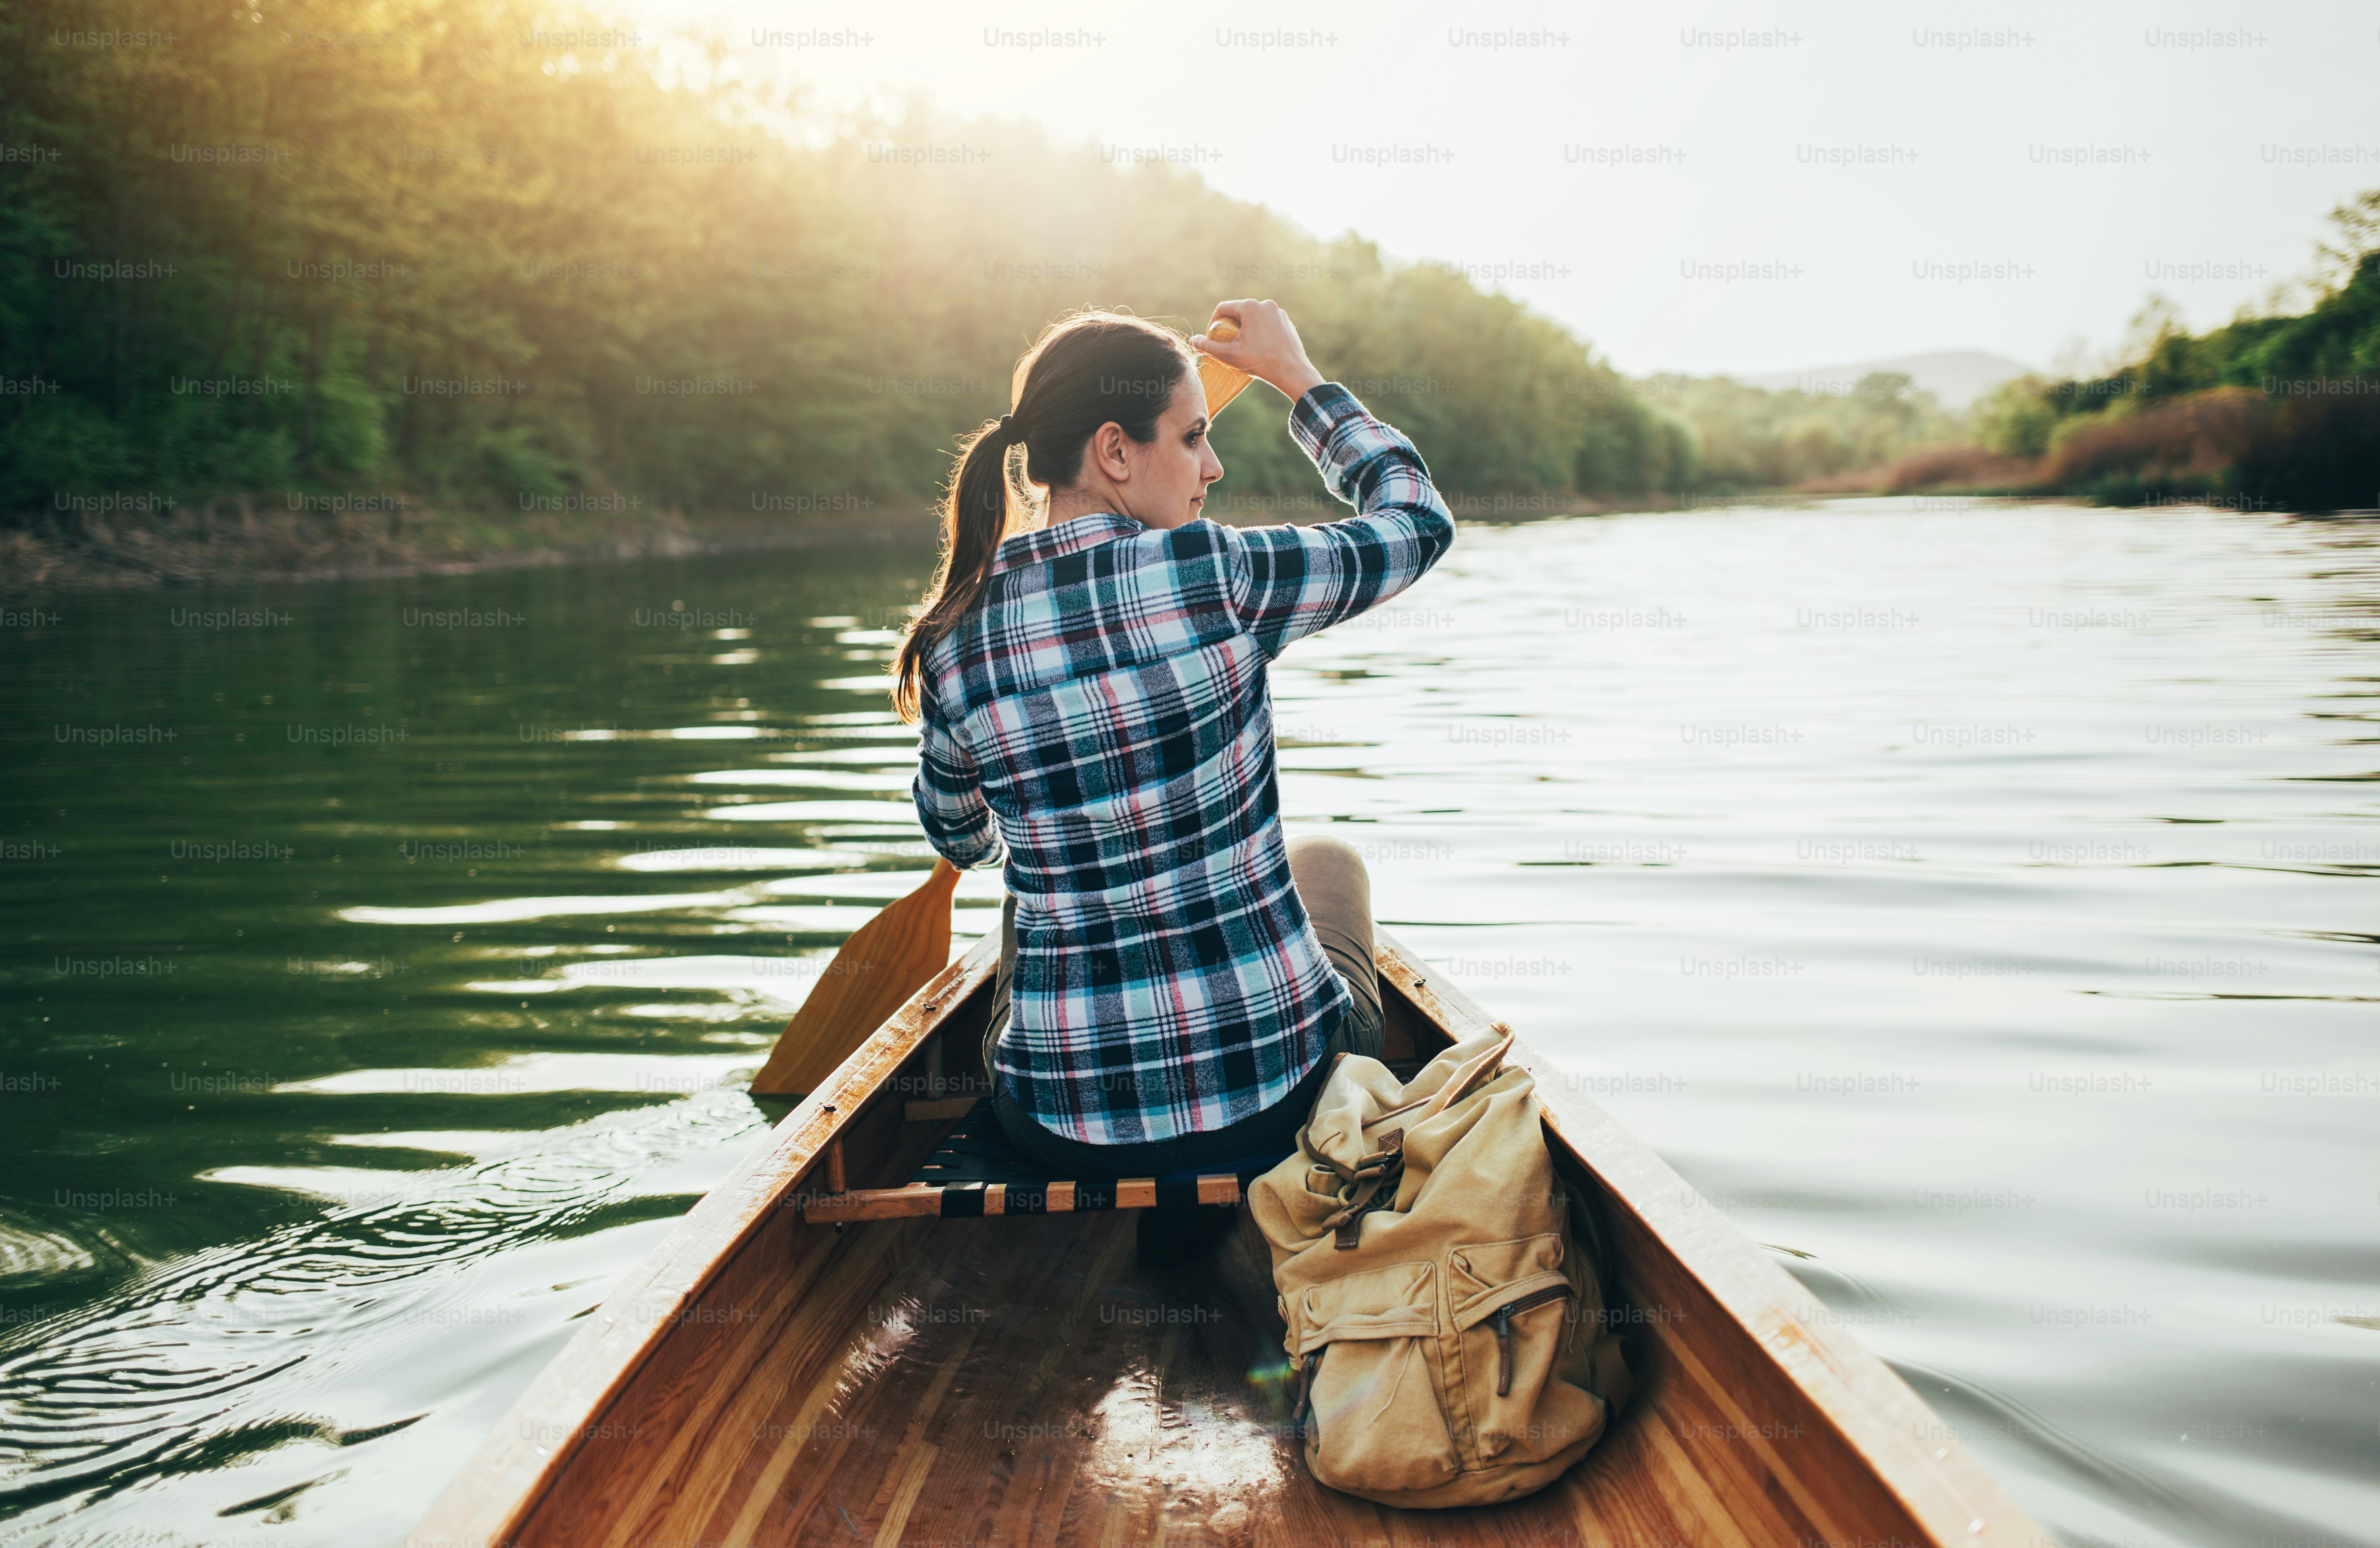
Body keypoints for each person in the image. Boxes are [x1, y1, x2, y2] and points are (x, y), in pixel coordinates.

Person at [895, 300, 1454, 1263]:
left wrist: (1011, 817)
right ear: (1114, 451)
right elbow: (1415, 522)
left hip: (1059, 1129)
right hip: (1275, 1101)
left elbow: (961, 840)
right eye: (1194, 437)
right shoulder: (1219, 574)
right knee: (1327, 859)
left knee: (1022, 909)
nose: (1212, 466)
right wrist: (1299, 381)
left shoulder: (950, 641)